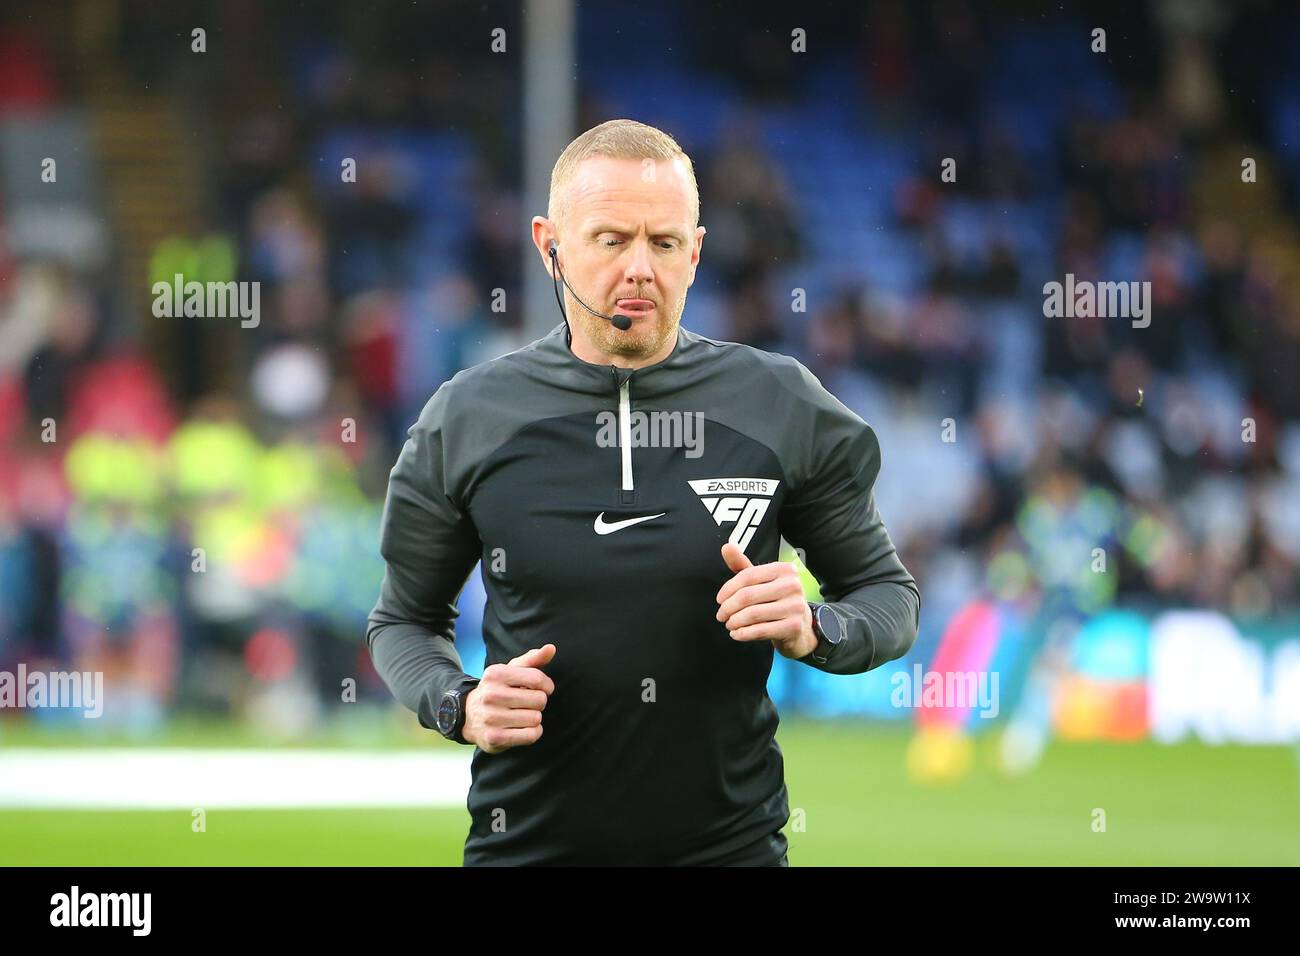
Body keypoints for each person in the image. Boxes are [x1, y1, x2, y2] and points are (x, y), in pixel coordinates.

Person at [366, 119, 920, 866]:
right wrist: (457, 702)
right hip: (526, 852)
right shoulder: (467, 418)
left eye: (662, 244)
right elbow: (403, 620)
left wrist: (816, 628)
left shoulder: (781, 404)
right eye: (610, 239)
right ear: (549, 246)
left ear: (693, 253)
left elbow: (888, 597)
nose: (638, 268)